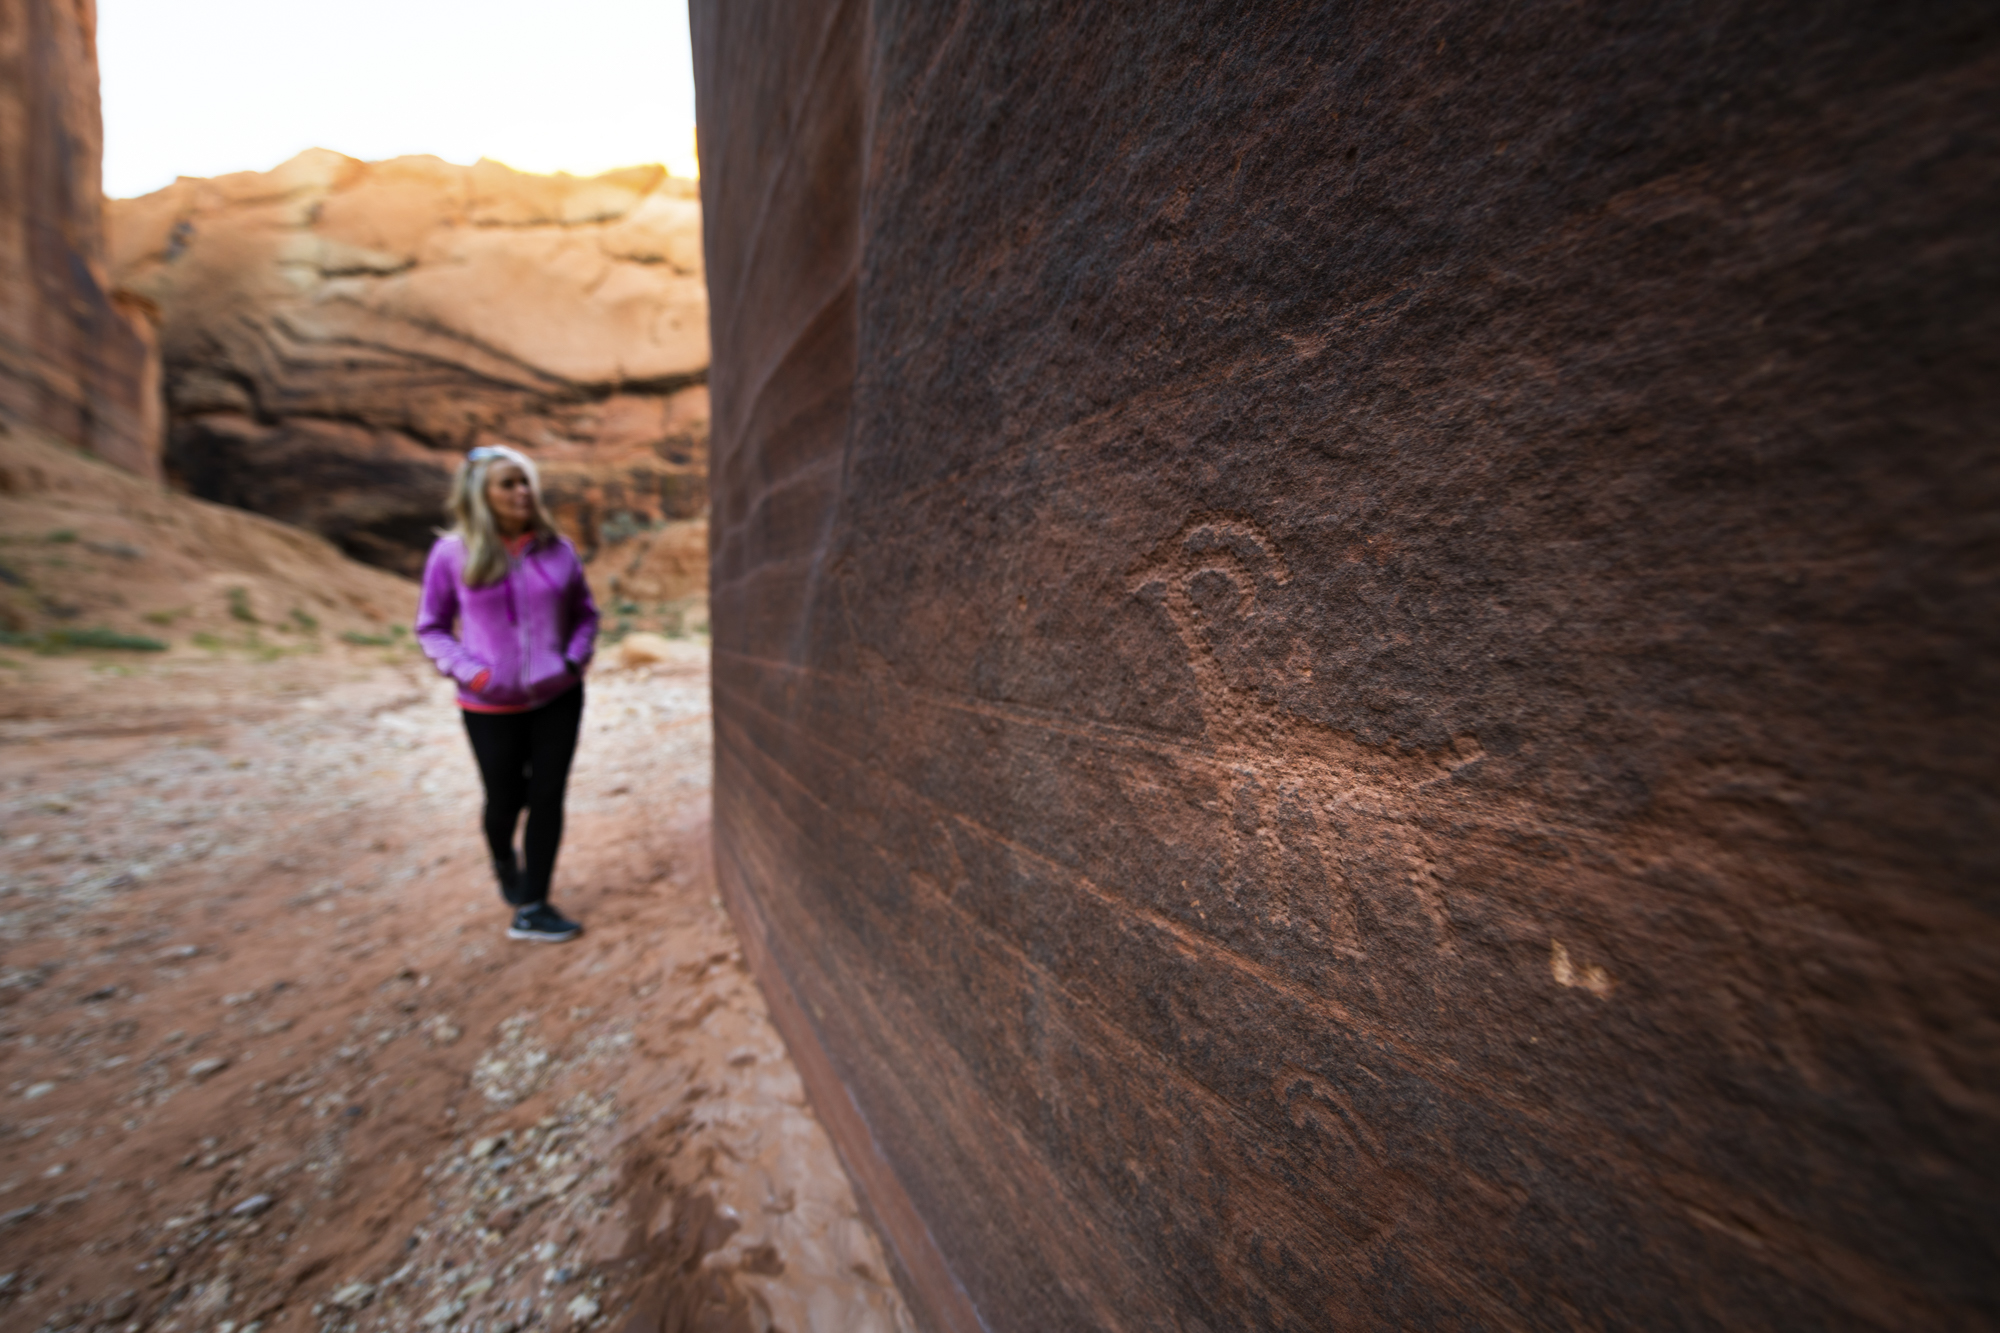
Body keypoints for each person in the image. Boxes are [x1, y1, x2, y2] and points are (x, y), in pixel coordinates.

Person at [414, 444, 598, 942]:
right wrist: (473, 674)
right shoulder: (452, 553)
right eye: (508, 483)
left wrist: (573, 659)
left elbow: (586, 614)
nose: (522, 491)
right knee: (505, 799)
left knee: (547, 796)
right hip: (489, 705)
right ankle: (503, 859)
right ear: (482, 493)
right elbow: (431, 628)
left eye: (525, 481)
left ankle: (533, 905)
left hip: (558, 697)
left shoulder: (557, 550)